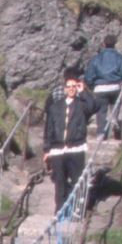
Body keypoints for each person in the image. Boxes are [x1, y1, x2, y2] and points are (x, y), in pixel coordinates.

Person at [42, 69, 93, 199]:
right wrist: (47, 149)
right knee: (60, 181)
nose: (71, 89)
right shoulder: (55, 107)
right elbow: (49, 127)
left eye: (73, 86)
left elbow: (93, 107)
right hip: (58, 148)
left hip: (76, 146)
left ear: (77, 86)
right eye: (68, 86)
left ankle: (75, 208)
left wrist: (83, 92)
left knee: (76, 180)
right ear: (64, 88)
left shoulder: (81, 104)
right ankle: (59, 211)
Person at [82, 33, 122, 137]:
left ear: (103, 44)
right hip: (116, 86)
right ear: (115, 44)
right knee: (116, 103)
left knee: (101, 111)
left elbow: (89, 77)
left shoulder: (96, 59)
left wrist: (91, 86)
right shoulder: (120, 58)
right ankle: (114, 120)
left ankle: (101, 132)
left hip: (100, 88)